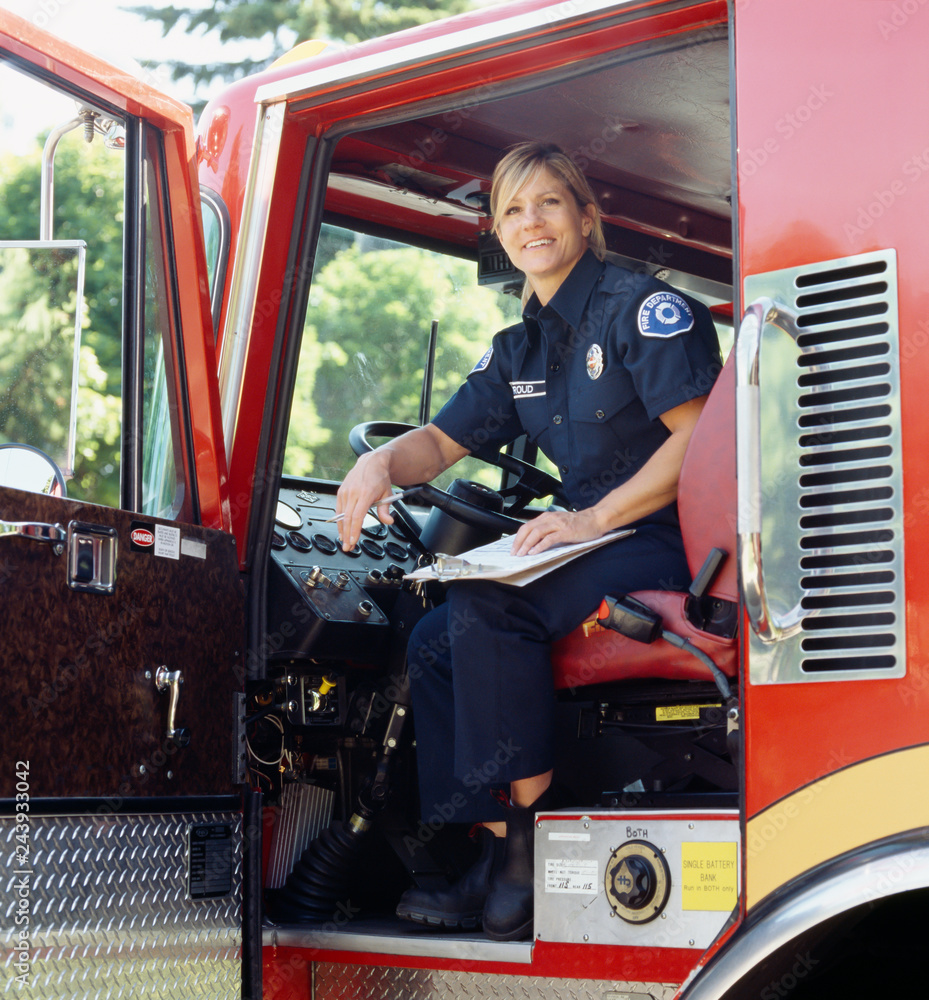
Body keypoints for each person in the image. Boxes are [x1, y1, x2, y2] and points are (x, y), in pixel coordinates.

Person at [335, 142, 721, 940]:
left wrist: (590, 519)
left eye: (547, 203)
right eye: (512, 209)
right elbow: (439, 444)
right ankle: (481, 844)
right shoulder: (520, 348)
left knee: (485, 606)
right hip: (587, 541)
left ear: (585, 217)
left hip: (663, 537)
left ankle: (527, 852)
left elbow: (702, 442)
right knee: (436, 637)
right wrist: (378, 462)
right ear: (498, 233)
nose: (529, 222)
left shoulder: (640, 309)